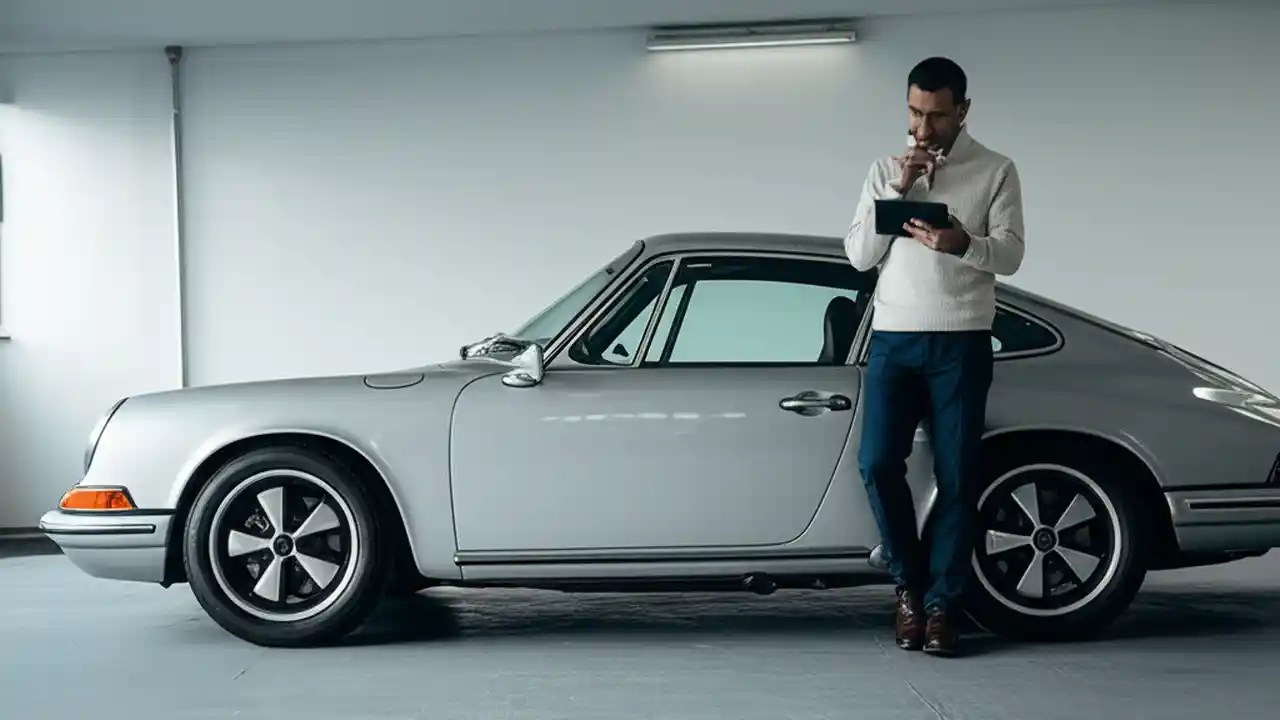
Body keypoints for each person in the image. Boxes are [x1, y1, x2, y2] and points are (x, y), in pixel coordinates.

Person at [844, 56, 1025, 656]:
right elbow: (858, 257)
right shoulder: (883, 169)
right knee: (876, 464)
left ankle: (944, 606)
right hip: (893, 340)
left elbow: (1011, 255)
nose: (922, 128)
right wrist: (897, 191)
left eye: (937, 115)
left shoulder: (996, 170)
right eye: (915, 113)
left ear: (963, 111)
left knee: (956, 477)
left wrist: (962, 244)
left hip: (962, 342)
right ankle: (909, 590)